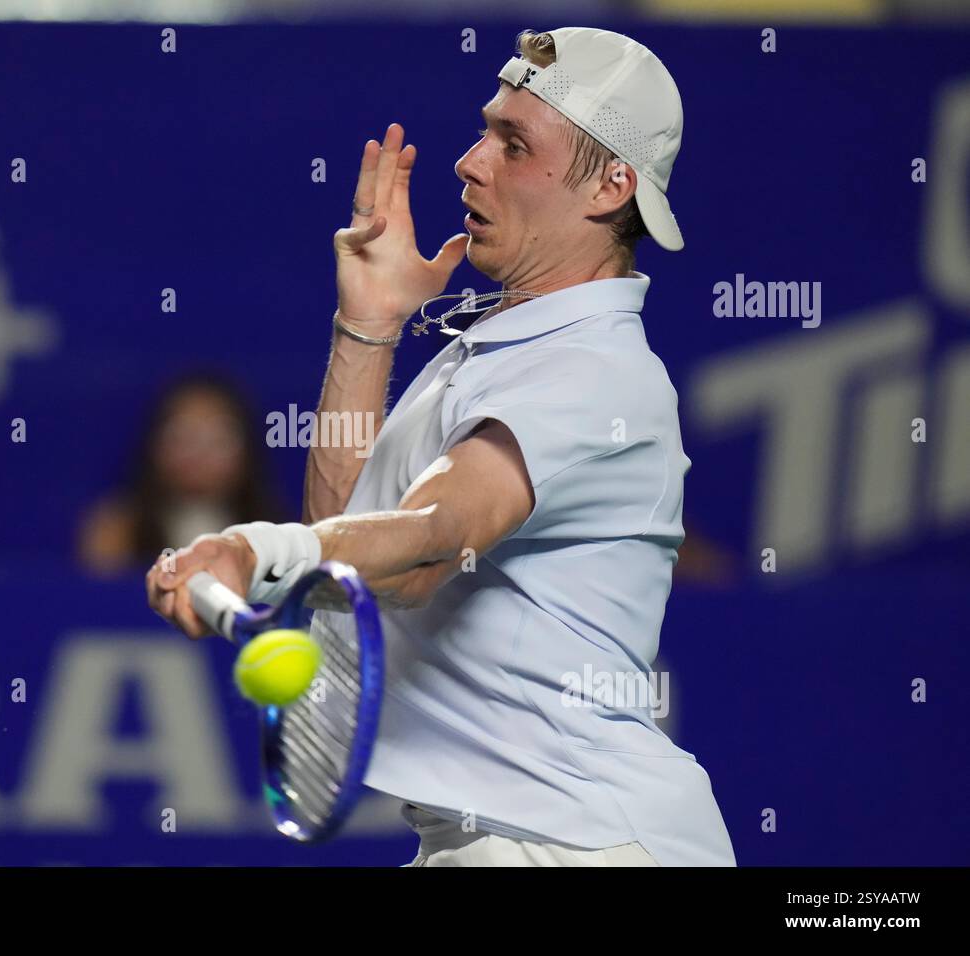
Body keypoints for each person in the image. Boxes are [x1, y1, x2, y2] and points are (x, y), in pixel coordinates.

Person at [147, 27, 735, 866]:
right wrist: (369, 326)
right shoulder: (499, 348)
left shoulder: (596, 374)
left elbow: (427, 548)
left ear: (612, 186)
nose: (469, 161)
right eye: (486, 129)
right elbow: (353, 557)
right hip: (490, 843)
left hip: (580, 847)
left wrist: (251, 548)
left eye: (514, 144)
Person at [78, 372, 284, 574]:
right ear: (155, 445)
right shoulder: (118, 534)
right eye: (183, 435)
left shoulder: (277, 537)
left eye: (219, 439)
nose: (199, 455)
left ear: (247, 451)